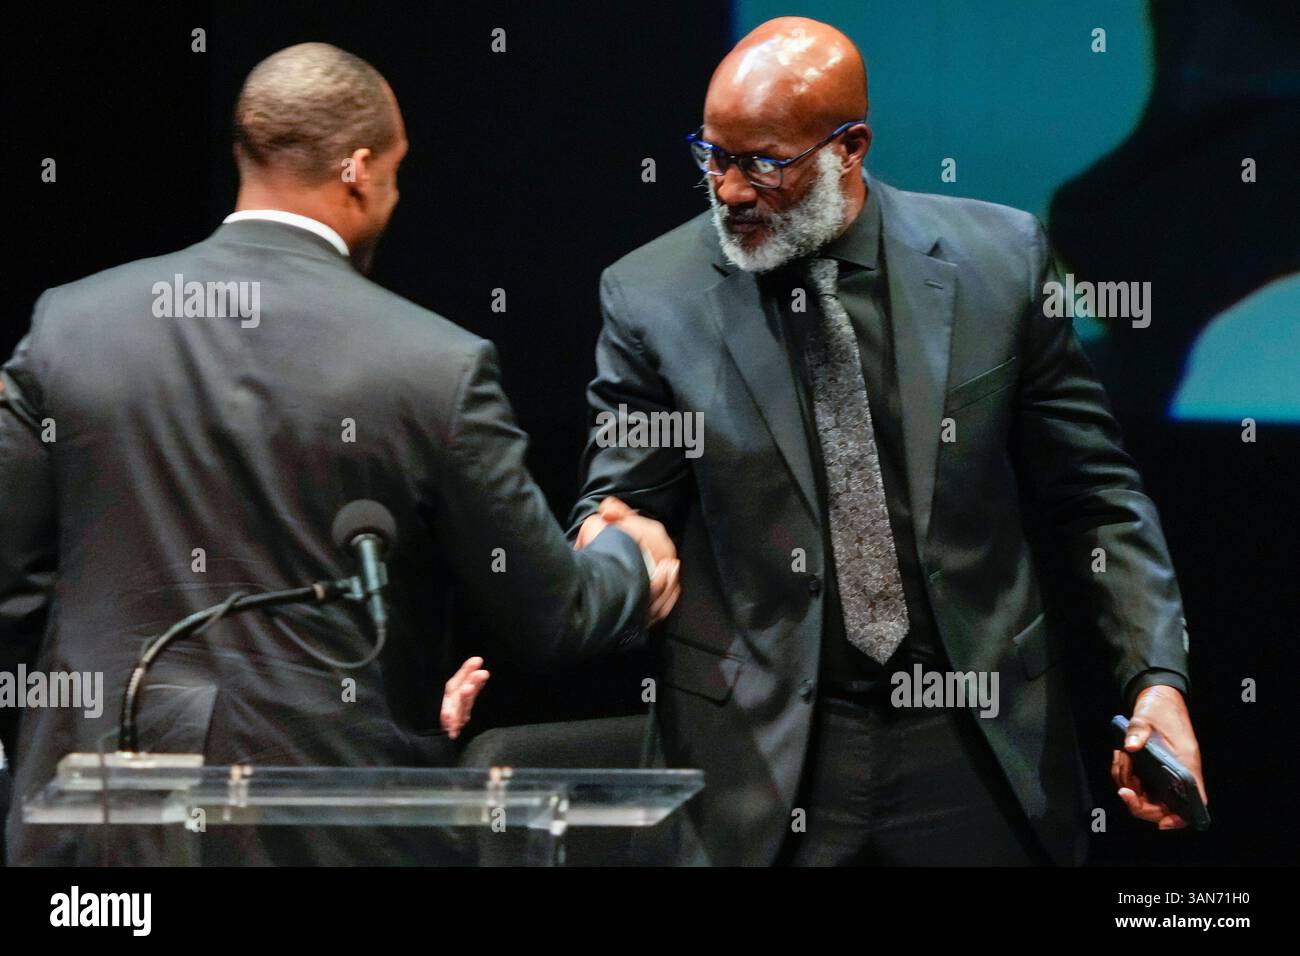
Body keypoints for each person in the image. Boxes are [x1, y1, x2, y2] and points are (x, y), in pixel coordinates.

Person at [0, 42, 678, 866]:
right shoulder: (433, 365)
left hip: (96, 823)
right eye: (394, 173)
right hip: (326, 834)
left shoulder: (68, 327)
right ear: (358, 169)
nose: (393, 195)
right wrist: (628, 561)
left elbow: (11, 588)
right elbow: (547, 614)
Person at [572, 17, 1204, 865]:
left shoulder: (1000, 266)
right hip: (764, 750)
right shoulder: (652, 295)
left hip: (972, 742)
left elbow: (1095, 496)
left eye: (763, 162)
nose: (727, 189)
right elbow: (620, 498)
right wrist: (611, 541)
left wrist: (1155, 677)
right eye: (711, 155)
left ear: (850, 147)